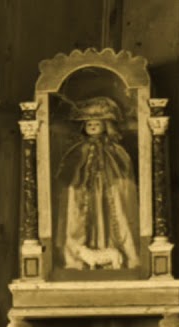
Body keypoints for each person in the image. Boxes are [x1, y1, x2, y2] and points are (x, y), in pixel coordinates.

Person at [57, 95, 141, 270]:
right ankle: (77, 258)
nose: (92, 126)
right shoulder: (77, 150)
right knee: (79, 218)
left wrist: (114, 183)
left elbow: (124, 174)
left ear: (106, 126)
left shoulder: (115, 150)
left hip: (109, 189)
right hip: (83, 192)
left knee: (115, 213)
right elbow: (68, 175)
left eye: (97, 123)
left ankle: (119, 253)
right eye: (89, 124)